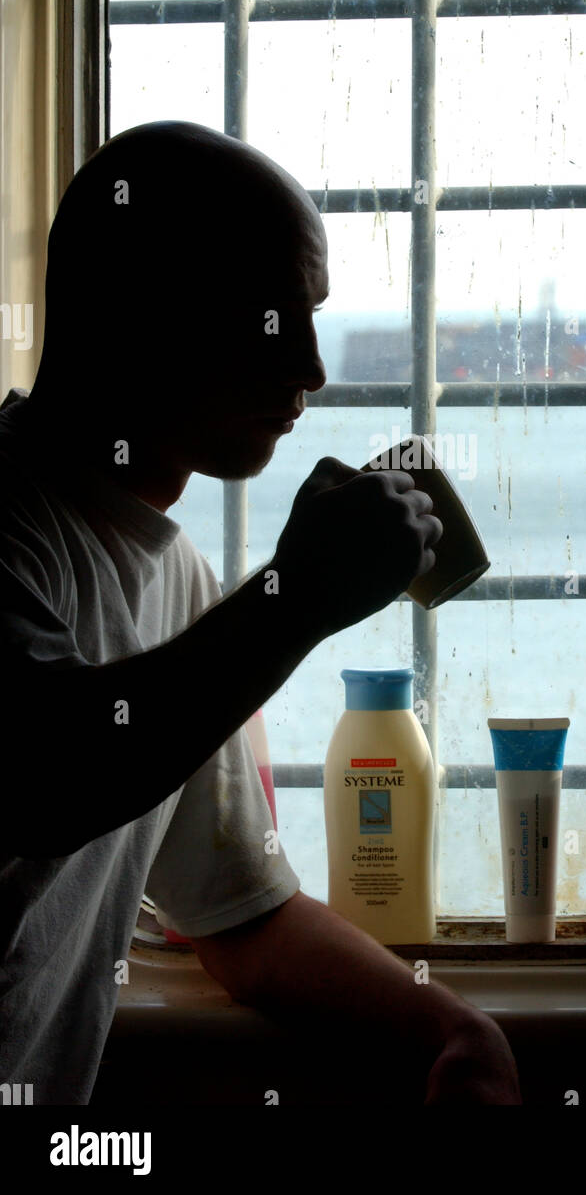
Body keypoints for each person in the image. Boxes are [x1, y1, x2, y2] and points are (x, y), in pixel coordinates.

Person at [0, 120, 521, 1105]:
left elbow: (244, 917)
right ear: (137, 307)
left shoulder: (180, 582)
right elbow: (51, 774)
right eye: (274, 317)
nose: (313, 368)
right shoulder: (10, 525)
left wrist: (452, 1027)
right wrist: (299, 596)